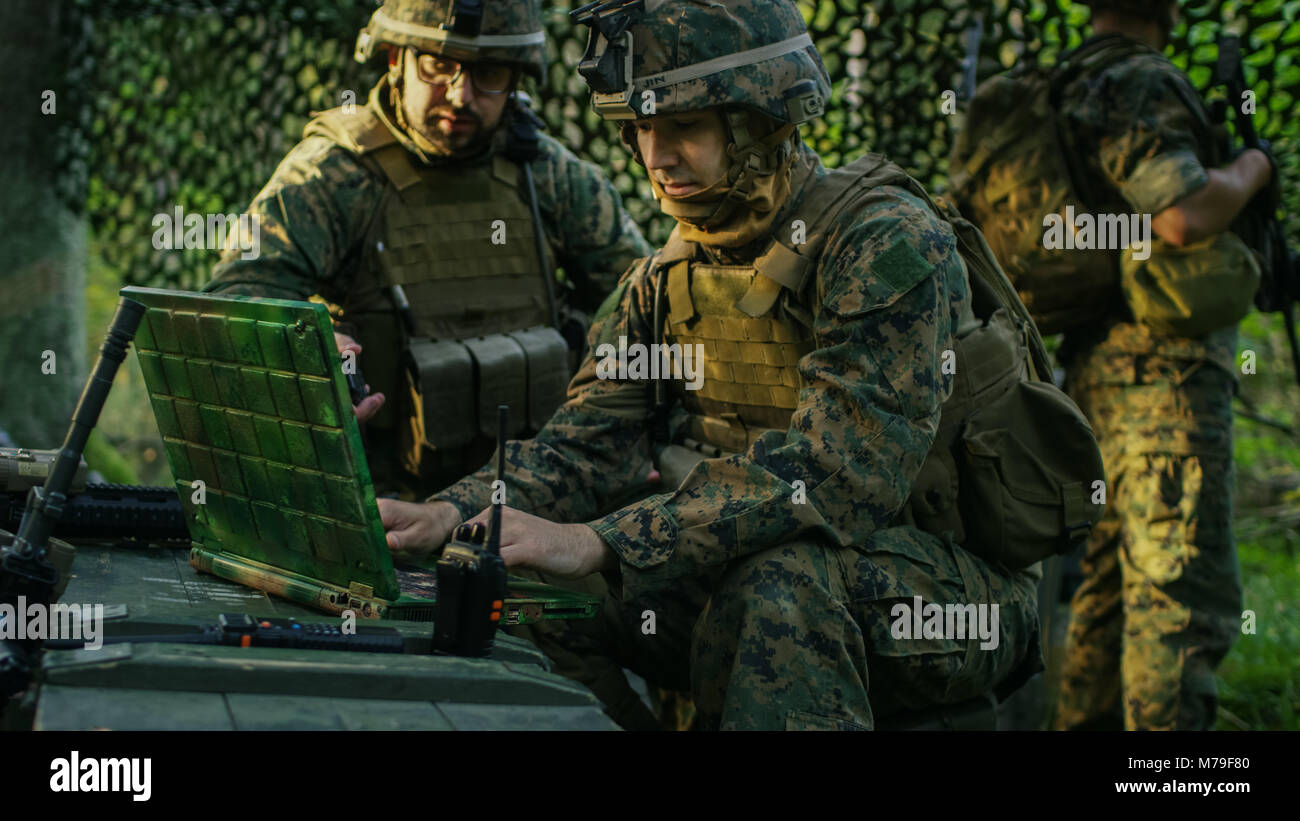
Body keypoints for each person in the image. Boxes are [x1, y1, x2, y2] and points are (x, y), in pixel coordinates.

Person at [379, 0, 1041, 730]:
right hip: (754, 572)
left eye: (683, 126)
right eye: (641, 129)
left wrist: (604, 539)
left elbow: (839, 473)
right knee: (519, 582)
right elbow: (588, 443)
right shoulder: (666, 276)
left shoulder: (883, 244)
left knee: (780, 588)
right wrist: (456, 511)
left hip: (946, 593)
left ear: (763, 119)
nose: (655, 155)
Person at [958, 0, 1274, 730]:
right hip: (1168, 379)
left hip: (1091, 375)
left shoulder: (1062, 84)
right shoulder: (1138, 79)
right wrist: (1253, 169)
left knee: (1105, 591)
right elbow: (1182, 214)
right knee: (1177, 599)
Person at [203, 0, 650, 500]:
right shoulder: (334, 174)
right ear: (396, 59)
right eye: (439, 65)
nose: (460, 95)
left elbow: (641, 302)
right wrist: (306, 349)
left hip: (530, 498)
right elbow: (238, 295)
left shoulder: (547, 175)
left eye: (490, 73)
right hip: (375, 500)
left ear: (517, 79)